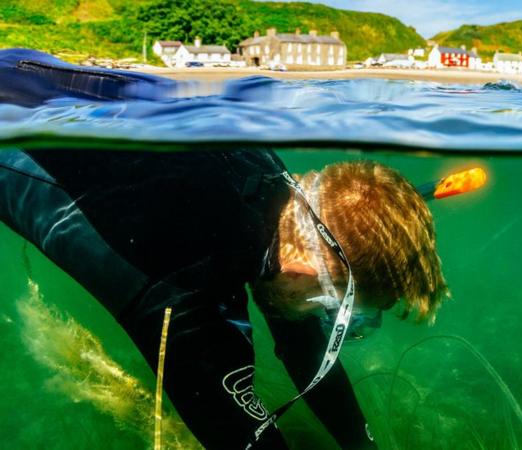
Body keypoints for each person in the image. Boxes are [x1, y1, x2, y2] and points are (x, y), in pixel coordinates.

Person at [0, 49, 449, 449]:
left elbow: (305, 348)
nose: (322, 319)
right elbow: (239, 434)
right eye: (332, 308)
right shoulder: (183, 275)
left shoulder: (286, 200)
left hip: (32, 70)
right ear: (302, 269)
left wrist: (358, 442)